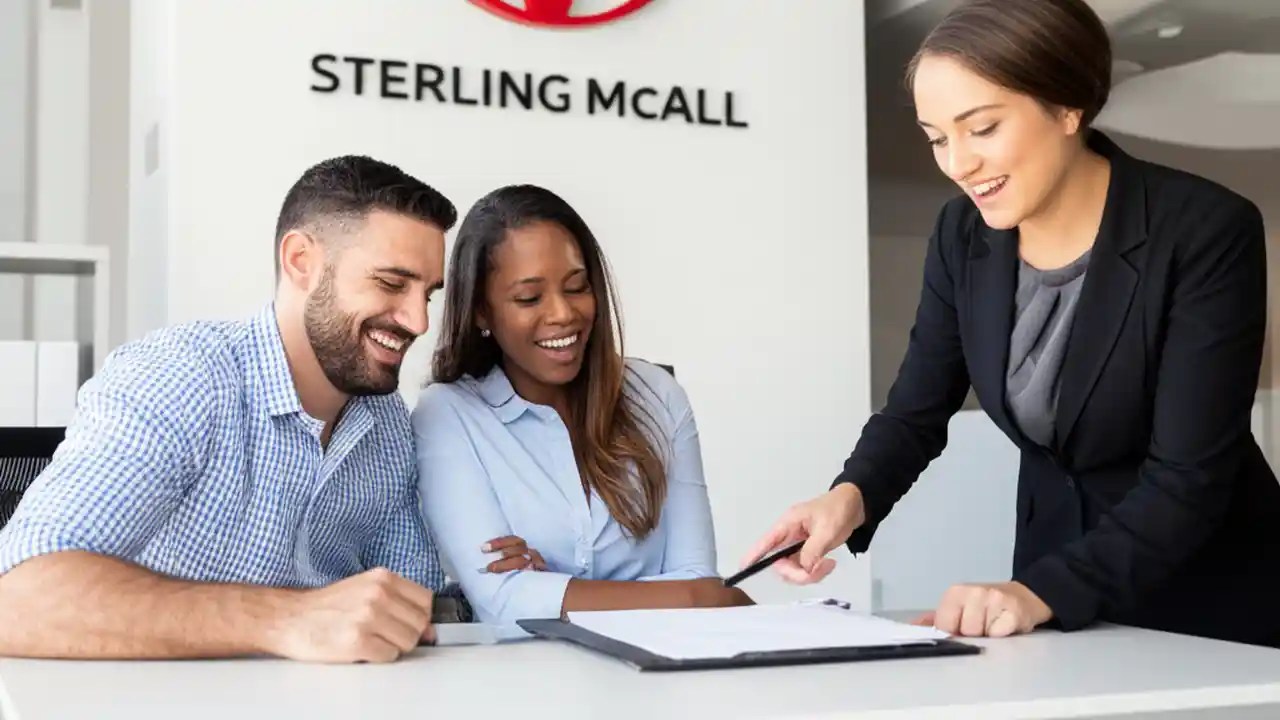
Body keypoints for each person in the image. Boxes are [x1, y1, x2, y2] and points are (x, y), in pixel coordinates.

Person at [746, 0, 1280, 646]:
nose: (958, 164)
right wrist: (848, 498)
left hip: (1206, 602)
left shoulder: (1203, 230)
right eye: (938, 138)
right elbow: (914, 412)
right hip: (1044, 599)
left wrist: (1039, 592)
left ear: (1067, 106)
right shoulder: (962, 235)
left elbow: (1189, 476)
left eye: (982, 128)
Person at [0, 156, 457, 663]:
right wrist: (287, 617)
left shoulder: (386, 420)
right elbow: (17, 598)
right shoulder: (183, 377)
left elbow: (410, 609)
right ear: (301, 261)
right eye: (392, 284)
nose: (418, 320)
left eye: (428, 294)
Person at [413, 184, 750, 625]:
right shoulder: (447, 415)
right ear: (481, 311)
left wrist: (554, 589)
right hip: (523, 686)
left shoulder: (657, 395)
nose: (562, 314)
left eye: (577, 287)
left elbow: (696, 575)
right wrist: (688, 597)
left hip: (657, 683)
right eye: (529, 298)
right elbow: (504, 600)